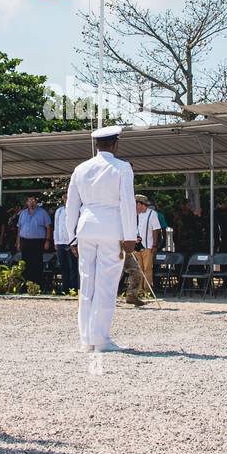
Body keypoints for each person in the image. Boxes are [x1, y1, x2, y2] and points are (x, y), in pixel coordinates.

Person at [65, 125, 137, 351]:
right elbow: (127, 203)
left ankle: (86, 339)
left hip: (85, 228)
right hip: (111, 229)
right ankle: (101, 339)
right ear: (115, 144)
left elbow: (71, 206)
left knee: (87, 284)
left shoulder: (80, 168)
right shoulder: (122, 167)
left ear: (96, 145)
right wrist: (130, 236)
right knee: (106, 284)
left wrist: (71, 238)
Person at [124, 194, 161, 306]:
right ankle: (135, 292)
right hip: (130, 246)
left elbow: (156, 229)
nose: (144, 206)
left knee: (144, 269)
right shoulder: (130, 214)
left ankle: (144, 291)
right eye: (142, 204)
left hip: (146, 245)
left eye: (145, 205)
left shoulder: (152, 214)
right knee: (135, 270)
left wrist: (154, 245)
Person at [16, 194, 52, 289]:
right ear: (26, 202)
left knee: (37, 264)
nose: (31, 202)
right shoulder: (23, 213)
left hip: (38, 242)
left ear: (36, 202)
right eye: (29, 200)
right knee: (25, 264)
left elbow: (48, 227)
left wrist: (47, 241)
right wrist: (18, 242)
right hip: (25, 241)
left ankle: (37, 285)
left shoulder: (43, 213)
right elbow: (19, 228)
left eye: (33, 200)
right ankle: (26, 285)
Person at [53, 196, 76, 292]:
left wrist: (75, 244)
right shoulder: (59, 211)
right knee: (63, 266)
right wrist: (55, 241)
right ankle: (65, 288)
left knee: (72, 266)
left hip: (71, 242)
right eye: (65, 198)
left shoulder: (75, 210)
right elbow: (56, 226)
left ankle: (73, 288)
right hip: (60, 242)